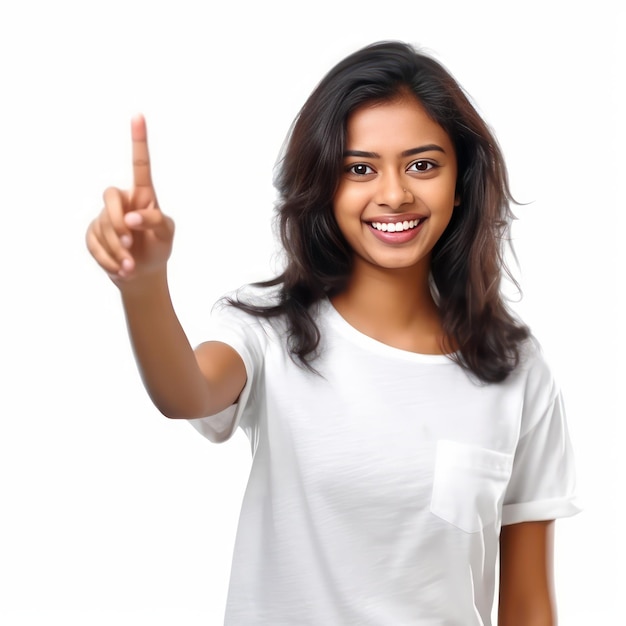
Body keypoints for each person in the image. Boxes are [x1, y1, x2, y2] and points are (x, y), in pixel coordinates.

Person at [86, 40, 579, 625]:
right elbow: (185, 393)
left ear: (462, 179)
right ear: (323, 182)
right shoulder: (266, 329)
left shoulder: (516, 368)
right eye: (360, 168)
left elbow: (527, 604)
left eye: (422, 164)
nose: (394, 194)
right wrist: (143, 287)